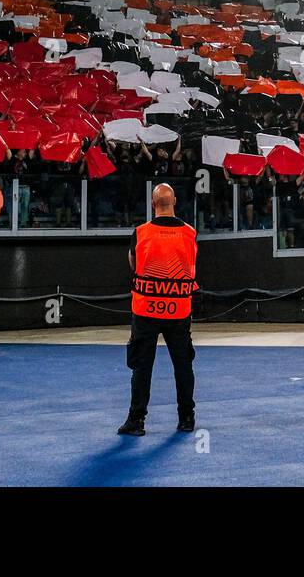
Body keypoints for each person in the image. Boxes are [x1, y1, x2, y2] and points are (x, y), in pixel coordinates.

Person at [118, 183, 198, 437]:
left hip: (146, 310)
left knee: (142, 367)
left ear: (153, 204)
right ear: (174, 201)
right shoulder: (189, 232)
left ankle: (136, 420)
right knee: (183, 366)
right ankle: (187, 418)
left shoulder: (141, 232)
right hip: (178, 310)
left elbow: (133, 262)